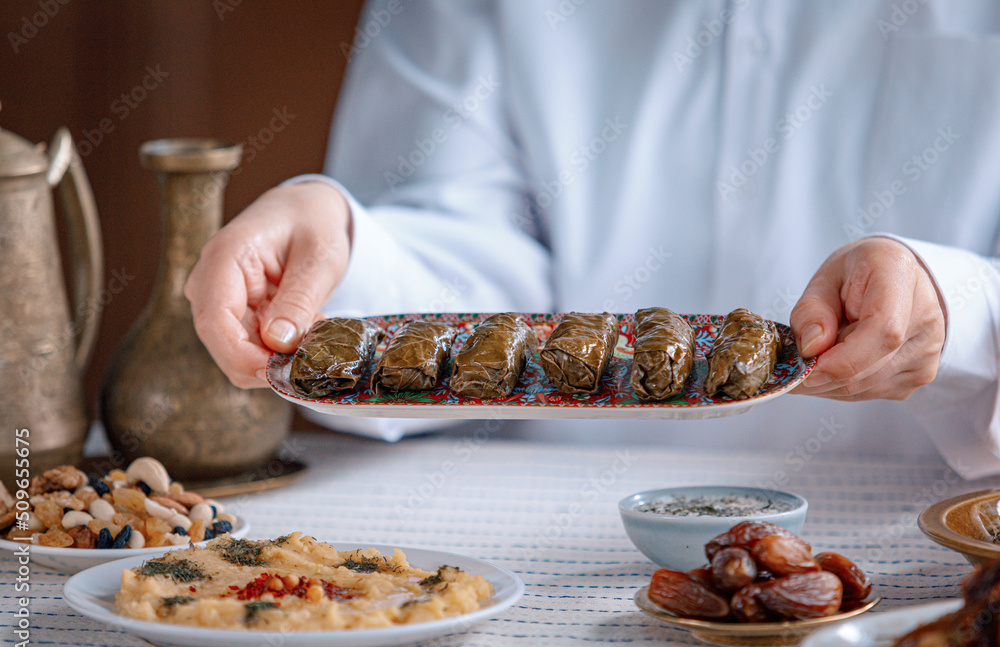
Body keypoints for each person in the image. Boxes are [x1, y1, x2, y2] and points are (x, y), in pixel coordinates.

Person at [186, 1, 1000, 478]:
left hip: (917, 551)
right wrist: (340, 253)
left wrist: (957, 306)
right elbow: (470, 246)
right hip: (544, 535)